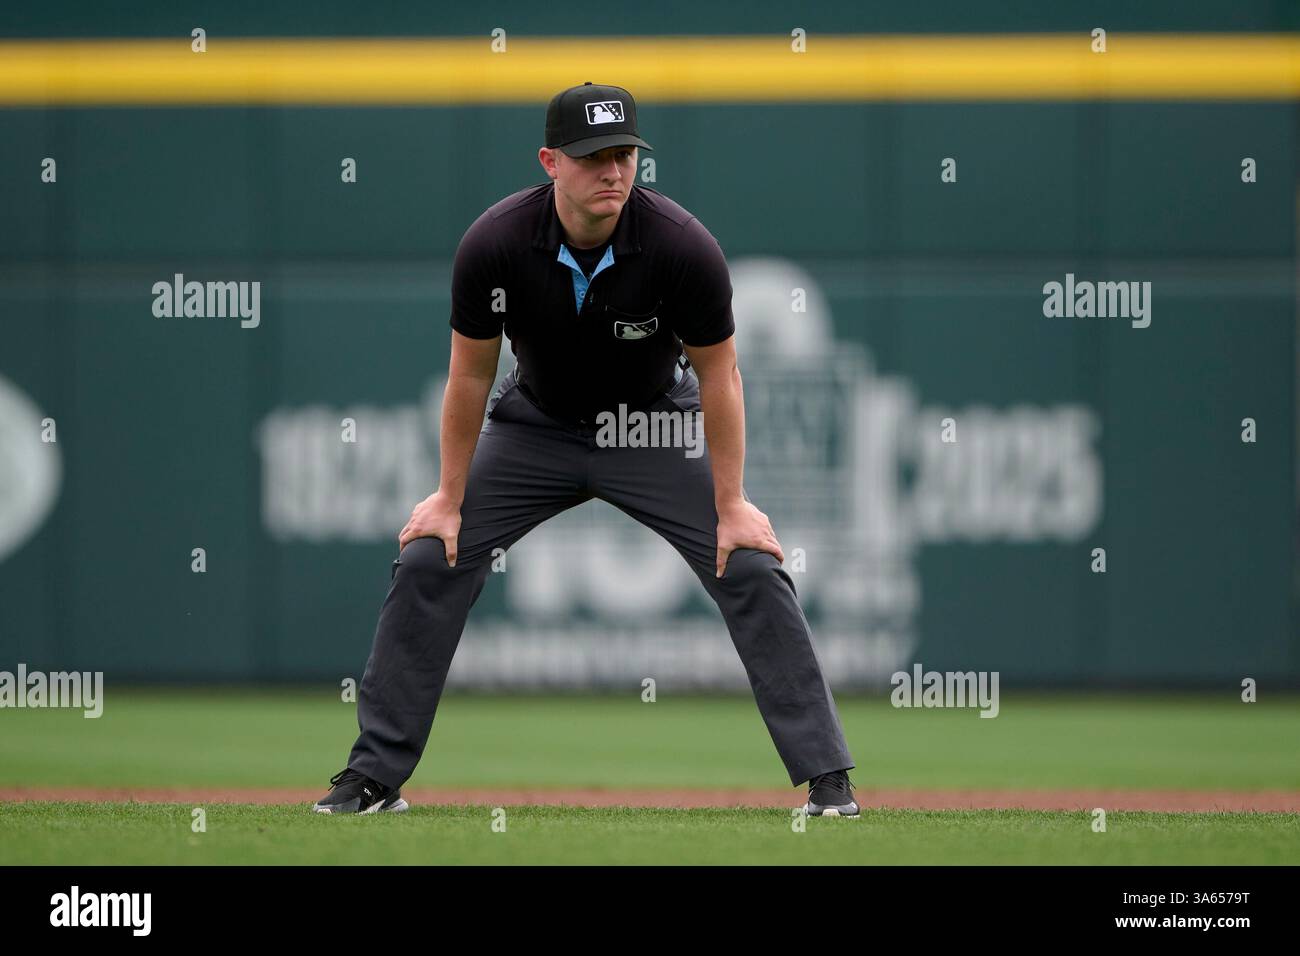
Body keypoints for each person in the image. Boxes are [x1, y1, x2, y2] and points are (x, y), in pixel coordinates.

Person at [313, 82, 859, 818]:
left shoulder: (678, 245)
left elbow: (721, 374)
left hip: (651, 427)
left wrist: (732, 504)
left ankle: (828, 782)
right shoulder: (497, 243)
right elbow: (470, 375)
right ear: (550, 162)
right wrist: (447, 497)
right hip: (535, 427)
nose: (614, 171)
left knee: (752, 564)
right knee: (426, 558)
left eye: (625, 154)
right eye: (593, 156)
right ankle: (373, 777)